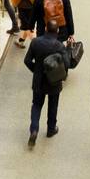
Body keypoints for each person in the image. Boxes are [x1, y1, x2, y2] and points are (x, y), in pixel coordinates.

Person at [23, 19, 69, 147]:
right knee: (53, 105)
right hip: (54, 81)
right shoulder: (59, 46)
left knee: (37, 105)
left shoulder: (36, 42)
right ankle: (51, 129)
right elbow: (67, 64)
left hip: (38, 81)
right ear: (57, 31)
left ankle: (34, 129)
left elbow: (27, 61)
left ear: (46, 29)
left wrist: (36, 70)